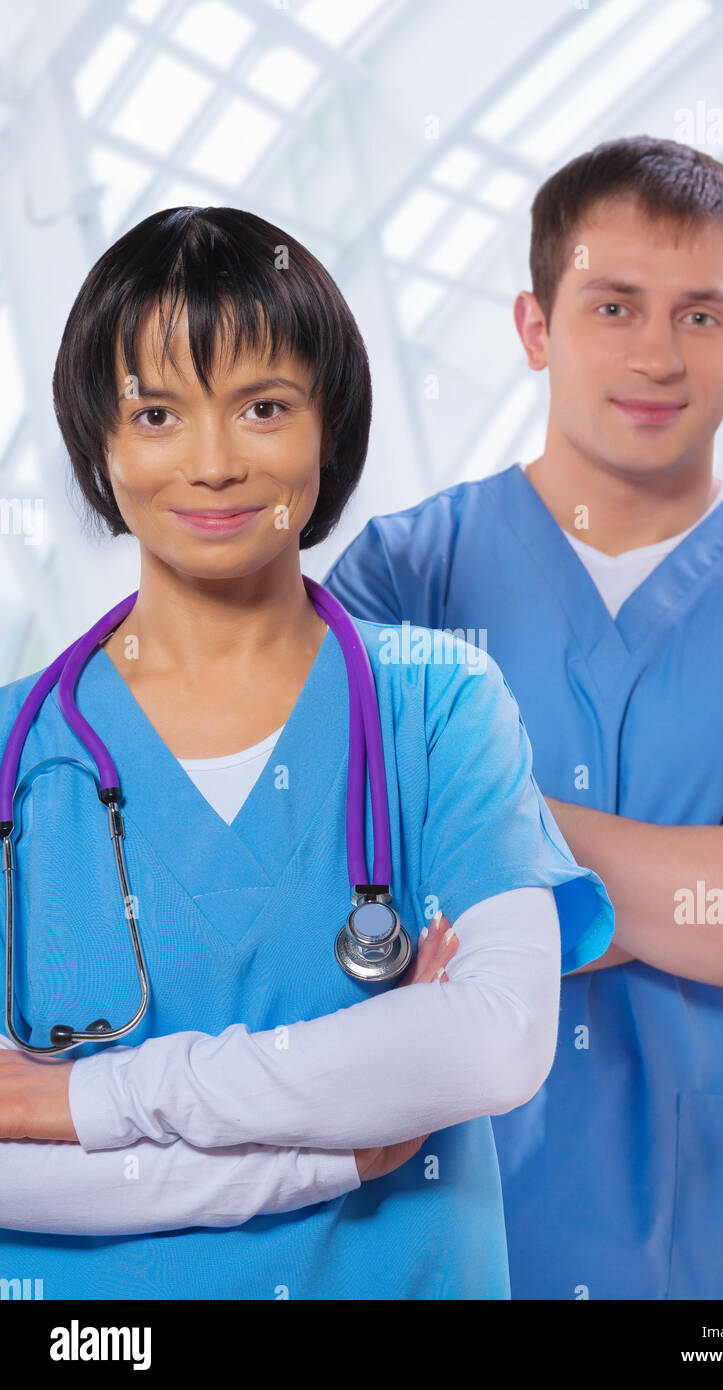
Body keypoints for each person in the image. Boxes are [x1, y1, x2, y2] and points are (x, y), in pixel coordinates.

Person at [0, 205, 613, 1300]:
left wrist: (88, 1102)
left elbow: (491, 1042)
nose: (215, 461)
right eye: (156, 413)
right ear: (98, 441)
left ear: (329, 428)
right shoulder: (13, 747)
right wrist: (324, 1154)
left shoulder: (437, 705)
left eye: (264, 405)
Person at [321, 136, 723, 1300]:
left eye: (700, 316)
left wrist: (489, 841)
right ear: (534, 326)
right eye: (611, 305)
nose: (656, 355)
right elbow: (337, 883)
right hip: (442, 1240)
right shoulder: (402, 578)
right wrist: (691, 887)